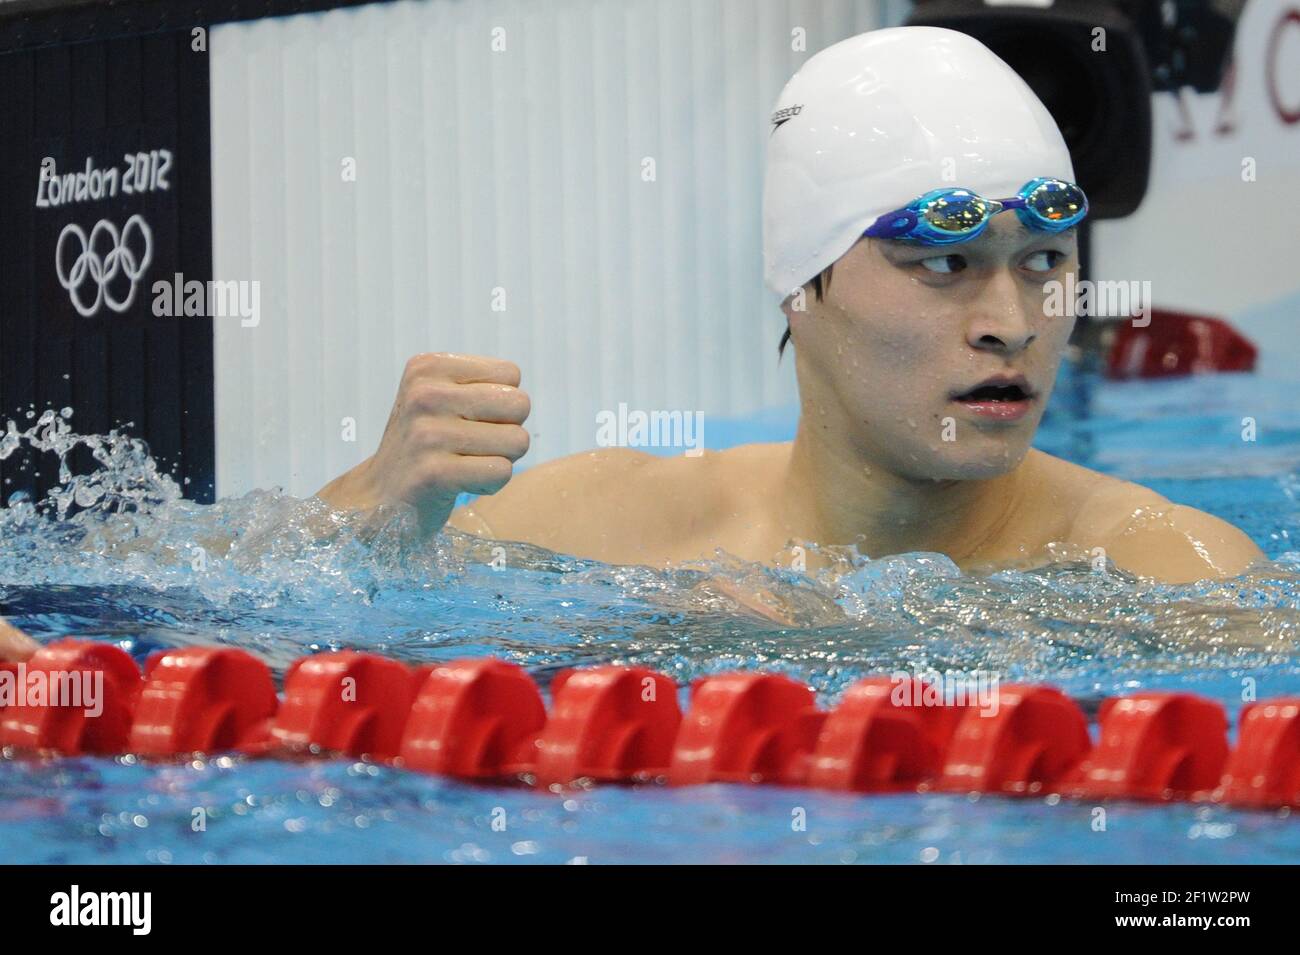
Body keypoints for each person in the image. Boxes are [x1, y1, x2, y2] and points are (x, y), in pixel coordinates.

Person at [314, 26, 1261, 586]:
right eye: (943, 264)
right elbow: (210, 593)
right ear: (802, 283)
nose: (1010, 321)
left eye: (1044, 261)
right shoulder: (613, 529)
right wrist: (377, 508)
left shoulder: (1171, 573)